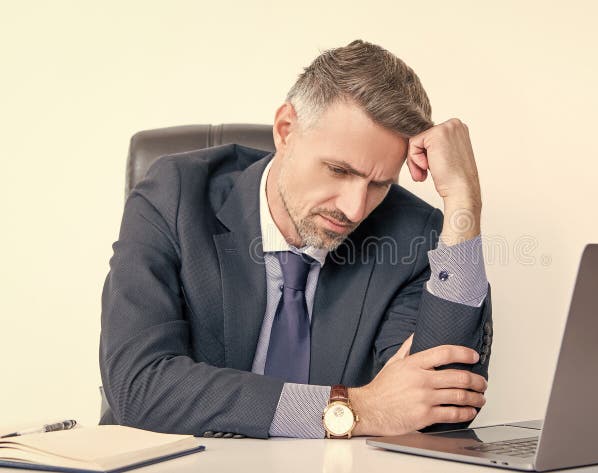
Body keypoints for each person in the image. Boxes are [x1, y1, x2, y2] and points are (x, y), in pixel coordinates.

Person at [99, 39, 493, 439]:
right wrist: (354, 409)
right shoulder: (174, 195)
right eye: (338, 170)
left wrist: (465, 201)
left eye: (379, 184)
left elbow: (440, 411)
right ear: (286, 130)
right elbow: (139, 386)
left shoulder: (411, 235)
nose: (355, 209)